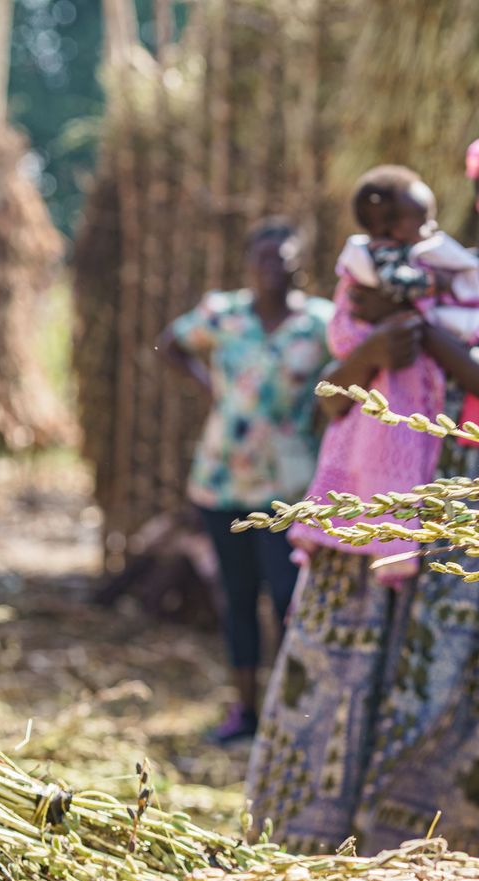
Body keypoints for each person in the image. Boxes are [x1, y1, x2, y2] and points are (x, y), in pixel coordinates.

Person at [246, 117, 479, 856]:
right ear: (475, 187)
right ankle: (296, 865)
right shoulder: (414, 264)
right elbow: (333, 394)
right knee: (334, 687)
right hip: (379, 511)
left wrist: (427, 329)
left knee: (458, 714)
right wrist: (379, 346)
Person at [161, 218, 333, 744]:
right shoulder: (224, 314)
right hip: (221, 478)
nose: (271, 269)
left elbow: (353, 373)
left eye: (282, 260)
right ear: (248, 263)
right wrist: (212, 388)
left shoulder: (319, 323)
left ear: (298, 265)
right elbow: (171, 343)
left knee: (286, 595)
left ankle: (289, 714)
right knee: (238, 596)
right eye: (262, 259)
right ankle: (244, 710)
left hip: (288, 484)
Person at [289, 165, 479, 581]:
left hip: (397, 379)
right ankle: (387, 543)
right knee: (383, 451)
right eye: (423, 221)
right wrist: (432, 292)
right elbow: (406, 294)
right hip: (385, 380)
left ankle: (380, 541)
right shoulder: (383, 261)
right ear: (391, 229)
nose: (433, 229)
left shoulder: (408, 256)